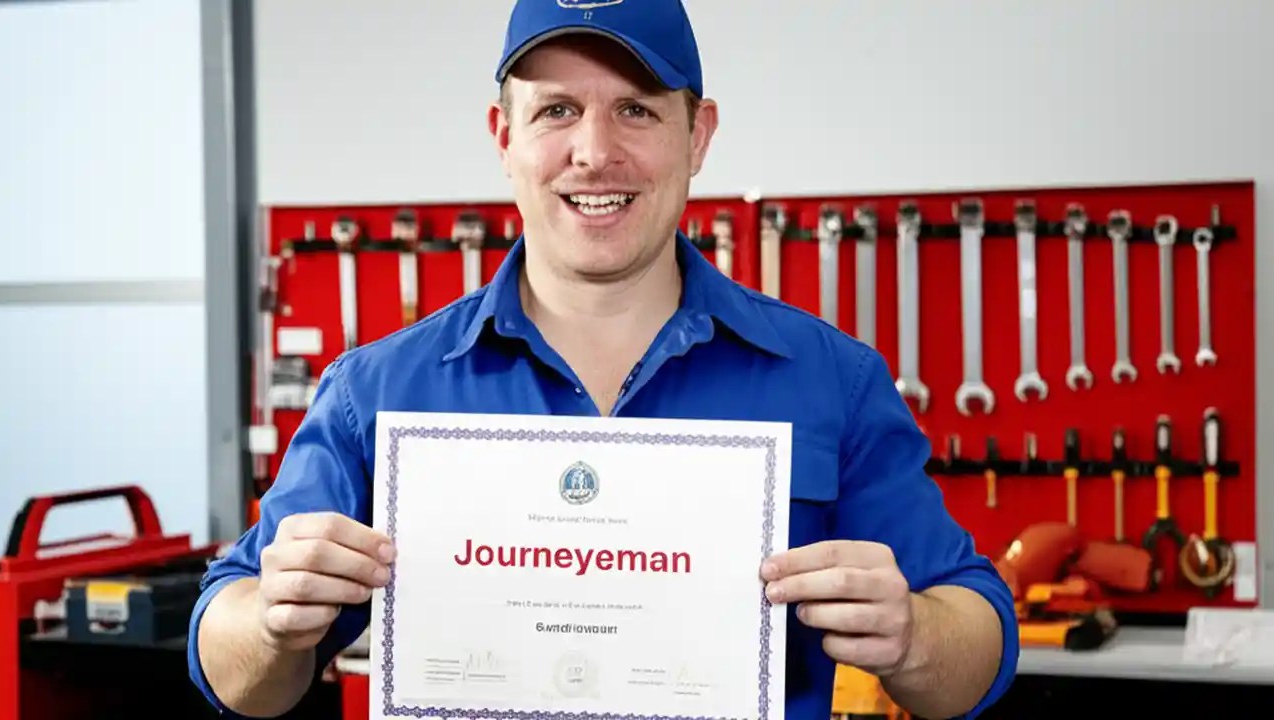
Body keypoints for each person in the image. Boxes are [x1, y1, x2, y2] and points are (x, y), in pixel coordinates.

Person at [188, 0, 1019, 718]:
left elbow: (977, 646)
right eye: (556, 110)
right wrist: (268, 622)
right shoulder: (375, 391)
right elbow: (232, 671)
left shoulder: (833, 380)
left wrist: (912, 635)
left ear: (698, 134)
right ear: (504, 136)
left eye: (636, 109)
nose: (593, 151)